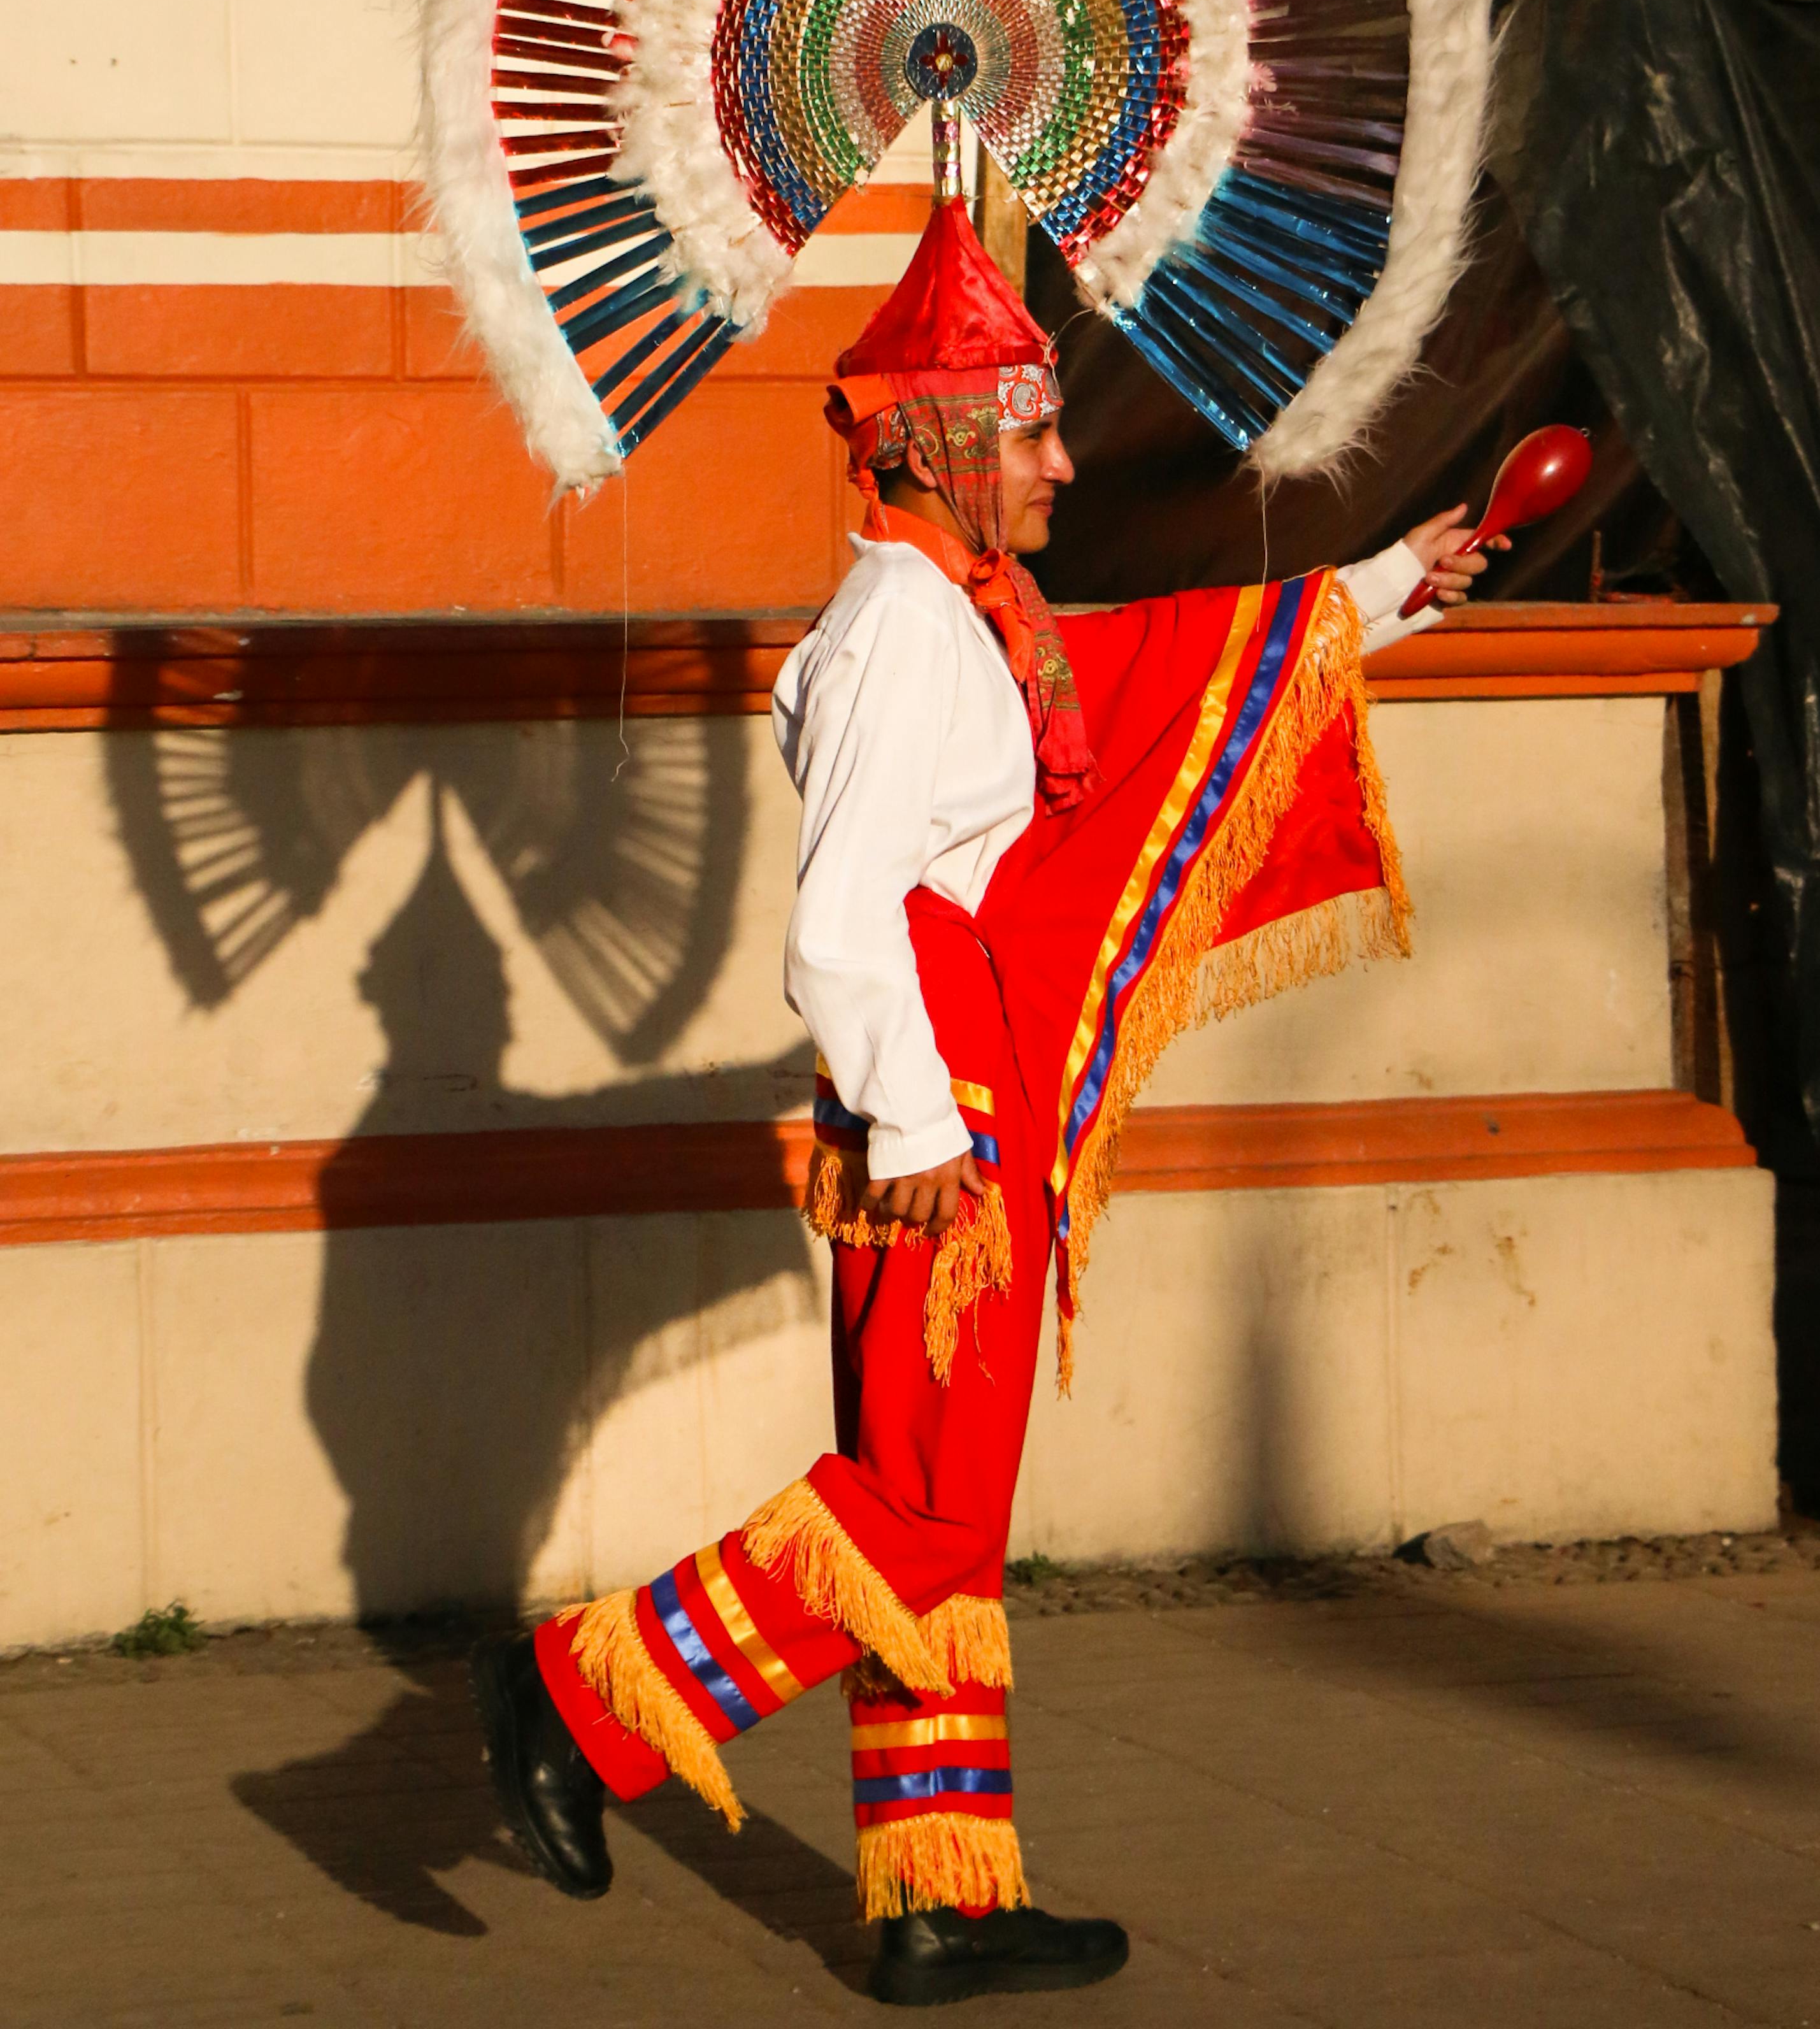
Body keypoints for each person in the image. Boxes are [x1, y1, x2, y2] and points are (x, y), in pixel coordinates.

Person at [470, 189, 1496, 2007]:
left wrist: (1383, 593)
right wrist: (923, 1126)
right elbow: (843, 911)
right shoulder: (902, 640)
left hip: (960, 1073)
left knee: (932, 1487)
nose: (1059, 475)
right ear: (940, 444)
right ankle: (578, 1696)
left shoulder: (982, 624)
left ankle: (936, 1889)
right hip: (940, 1084)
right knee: (918, 1509)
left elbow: (1167, 676)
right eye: (1031, 436)